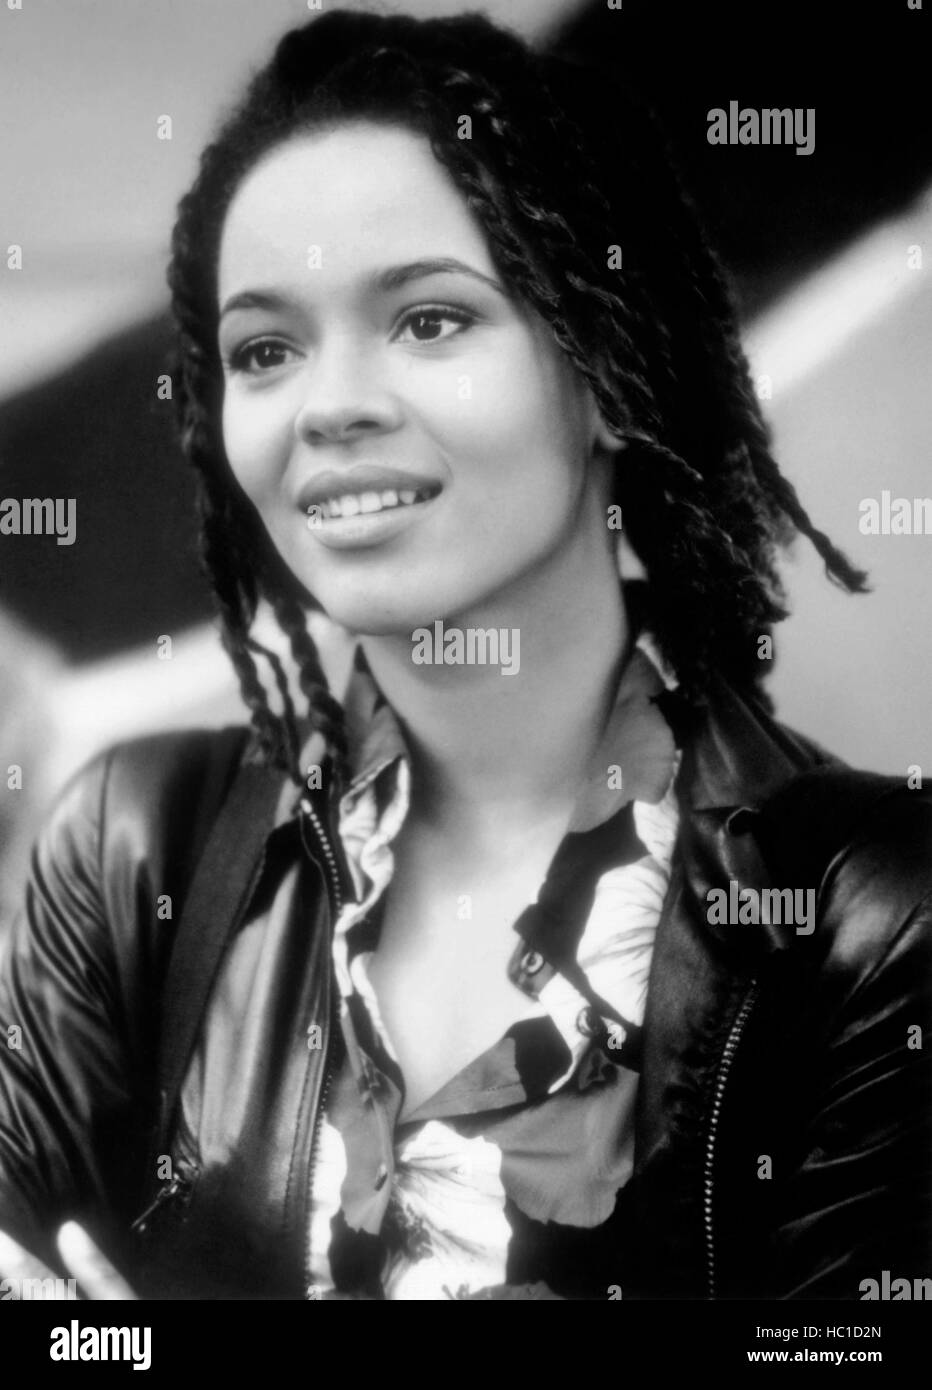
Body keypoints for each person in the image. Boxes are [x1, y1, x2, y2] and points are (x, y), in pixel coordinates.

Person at [0, 8, 929, 1302]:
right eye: (265, 349)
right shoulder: (131, 847)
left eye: (431, 320)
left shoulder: (869, 920)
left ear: (609, 370)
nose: (331, 407)